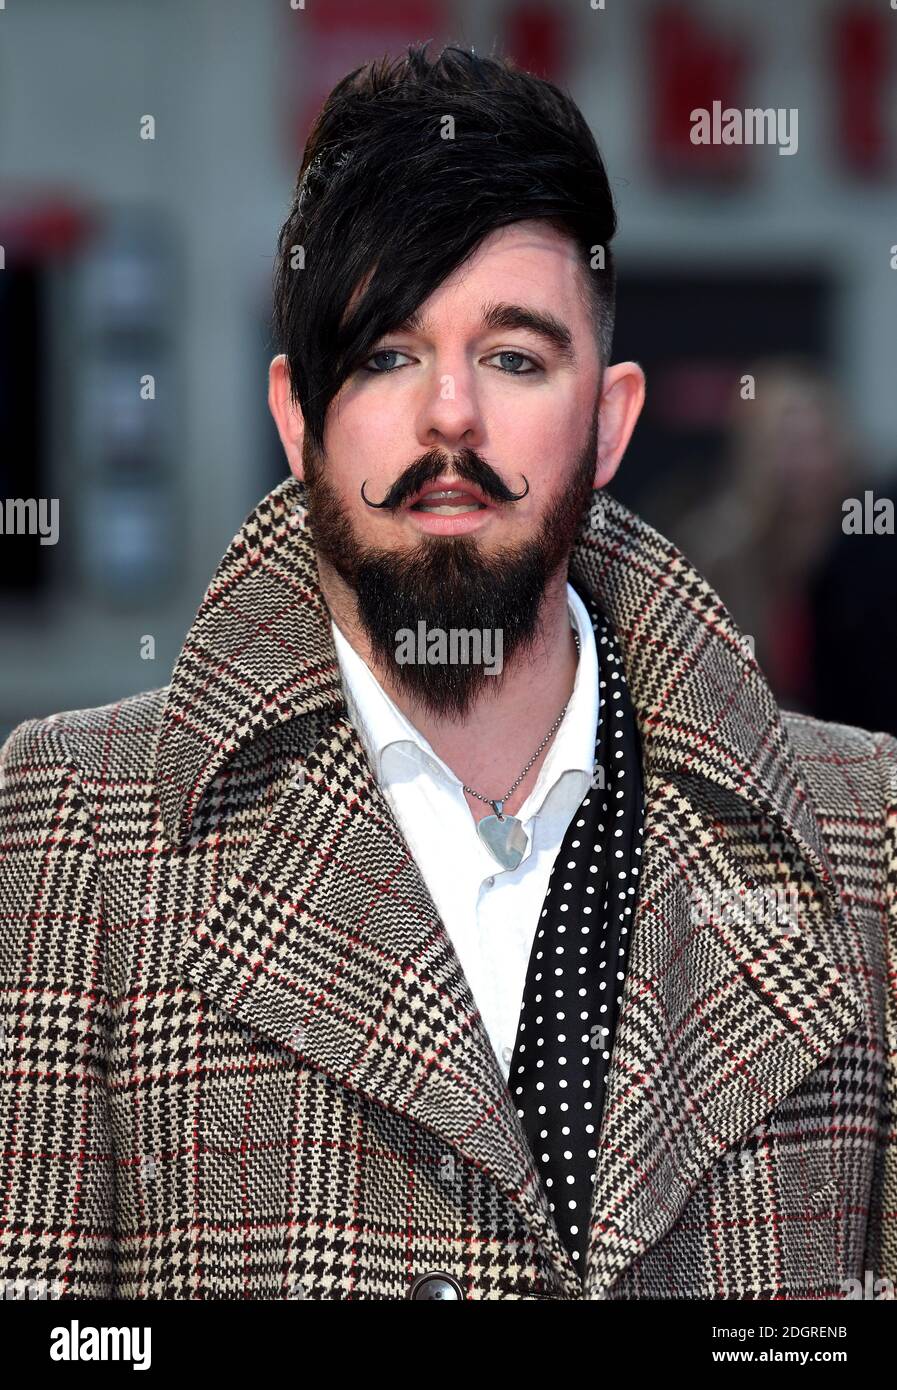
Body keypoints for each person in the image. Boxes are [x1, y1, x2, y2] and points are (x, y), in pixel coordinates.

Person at [1, 43, 894, 1303]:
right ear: (296, 420)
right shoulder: (79, 828)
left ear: (611, 422)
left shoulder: (865, 836)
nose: (451, 419)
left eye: (517, 357)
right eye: (385, 354)